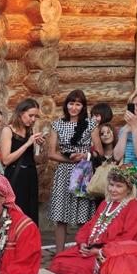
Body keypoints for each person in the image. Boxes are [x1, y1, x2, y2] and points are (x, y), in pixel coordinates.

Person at [50, 164, 137, 274]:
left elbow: (129, 239)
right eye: (111, 184)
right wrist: (83, 243)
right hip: (91, 250)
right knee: (59, 260)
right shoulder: (106, 204)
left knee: (82, 269)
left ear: (129, 189)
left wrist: (100, 251)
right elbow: (89, 226)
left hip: (113, 255)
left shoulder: (135, 208)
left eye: (119, 186)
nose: (113, 189)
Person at [46, 90, 101, 253]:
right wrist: (68, 159)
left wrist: (85, 155)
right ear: (66, 105)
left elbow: (99, 152)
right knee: (60, 217)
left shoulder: (91, 124)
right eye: (71, 103)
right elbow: (51, 153)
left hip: (83, 172)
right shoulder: (57, 124)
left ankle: (81, 252)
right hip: (64, 172)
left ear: (83, 106)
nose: (74, 107)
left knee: (82, 217)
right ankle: (59, 254)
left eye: (78, 104)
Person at [0, 98, 45, 225]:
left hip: (30, 175)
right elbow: (6, 160)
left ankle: (29, 241)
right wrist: (27, 143)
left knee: (30, 212)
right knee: (16, 212)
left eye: (35, 116)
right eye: (30, 115)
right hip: (15, 176)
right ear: (21, 113)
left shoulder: (31, 131)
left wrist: (39, 146)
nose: (33, 119)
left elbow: (34, 158)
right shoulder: (8, 131)